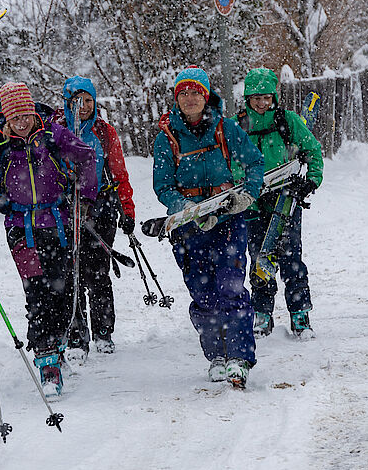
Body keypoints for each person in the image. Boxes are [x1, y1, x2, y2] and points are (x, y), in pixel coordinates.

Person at [0, 82, 97, 397]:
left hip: (58, 224)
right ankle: (47, 360)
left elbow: (87, 157)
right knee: (38, 292)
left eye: (25, 114)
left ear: (32, 110)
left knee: (63, 290)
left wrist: (85, 195)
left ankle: (58, 344)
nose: (21, 122)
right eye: (15, 117)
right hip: (20, 228)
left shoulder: (53, 135)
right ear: (6, 118)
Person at [152, 67, 265, 388]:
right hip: (188, 226)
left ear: (206, 96)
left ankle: (239, 357)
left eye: (195, 93)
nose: (190, 99)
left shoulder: (226, 129)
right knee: (202, 291)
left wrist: (247, 195)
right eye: (183, 94)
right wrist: (186, 210)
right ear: (176, 99)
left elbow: (255, 163)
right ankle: (216, 354)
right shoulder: (167, 138)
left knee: (231, 286)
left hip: (228, 218)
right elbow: (163, 185)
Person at [234, 67, 324, 338]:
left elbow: (312, 150)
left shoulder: (289, 121)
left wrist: (312, 180)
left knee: (291, 257)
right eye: (256, 98)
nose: (262, 104)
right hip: (251, 203)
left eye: (267, 98)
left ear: (274, 97)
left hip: (286, 201)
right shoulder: (238, 127)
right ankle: (262, 313)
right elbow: (229, 162)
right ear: (247, 99)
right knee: (259, 258)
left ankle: (300, 313)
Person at [54, 76, 137, 360]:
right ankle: (77, 336)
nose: (84, 106)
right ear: (67, 102)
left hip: (101, 207)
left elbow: (119, 172)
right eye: (77, 101)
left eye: (89, 100)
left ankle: (103, 331)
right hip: (65, 208)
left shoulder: (104, 132)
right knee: (71, 271)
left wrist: (127, 209)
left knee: (97, 270)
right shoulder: (55, 130)